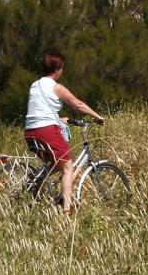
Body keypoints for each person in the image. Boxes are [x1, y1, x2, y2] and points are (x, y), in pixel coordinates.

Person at [23, 51, 105, 215]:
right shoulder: (56, 87)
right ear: (58, 69)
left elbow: (39, 109)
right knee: (68, 167)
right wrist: (97, 117)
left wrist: (58, 119)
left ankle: (37, 183)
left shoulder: (35, 85)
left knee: (55, 163)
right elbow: (78, 104)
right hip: (46, 130)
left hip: (30, 131)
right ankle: (66, 210)